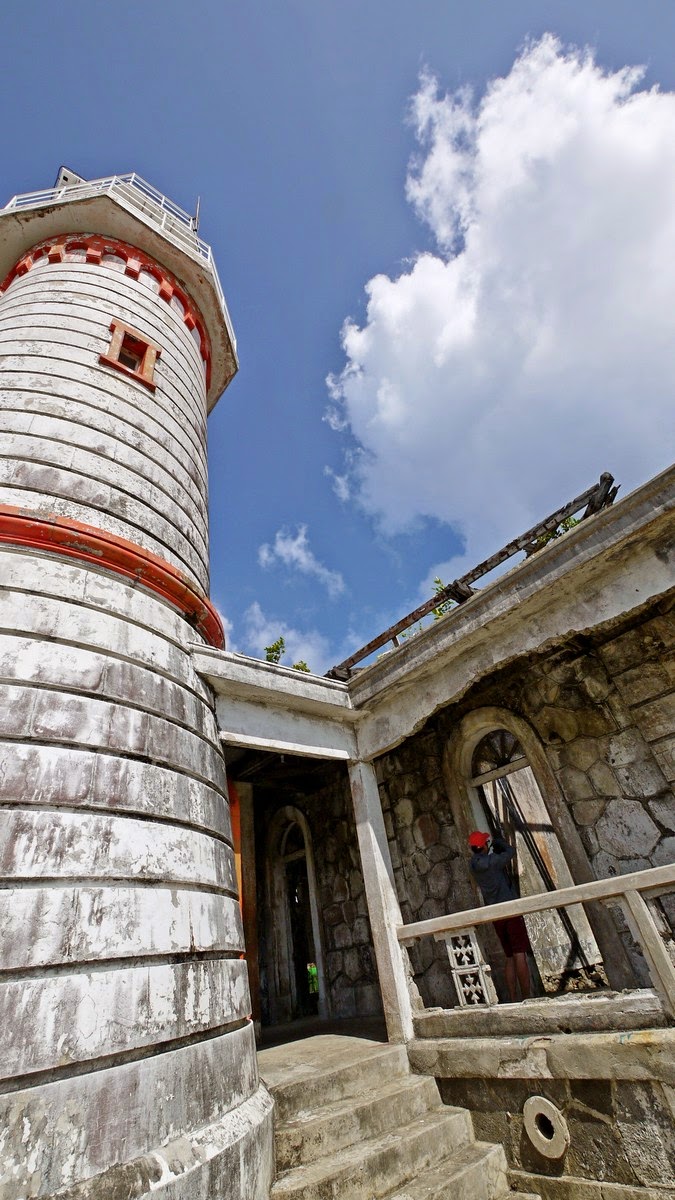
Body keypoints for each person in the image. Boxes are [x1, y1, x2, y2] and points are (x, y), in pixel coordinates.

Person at [468, 830, 531, 1002]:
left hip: (495, 915)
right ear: (484, 846)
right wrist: (498, 842)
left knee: (509, 956)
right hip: (510, 910)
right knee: (519, 954)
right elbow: (510, 852)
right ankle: (528, 997)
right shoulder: (493, 862)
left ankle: (512, 998)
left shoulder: (473, 865)